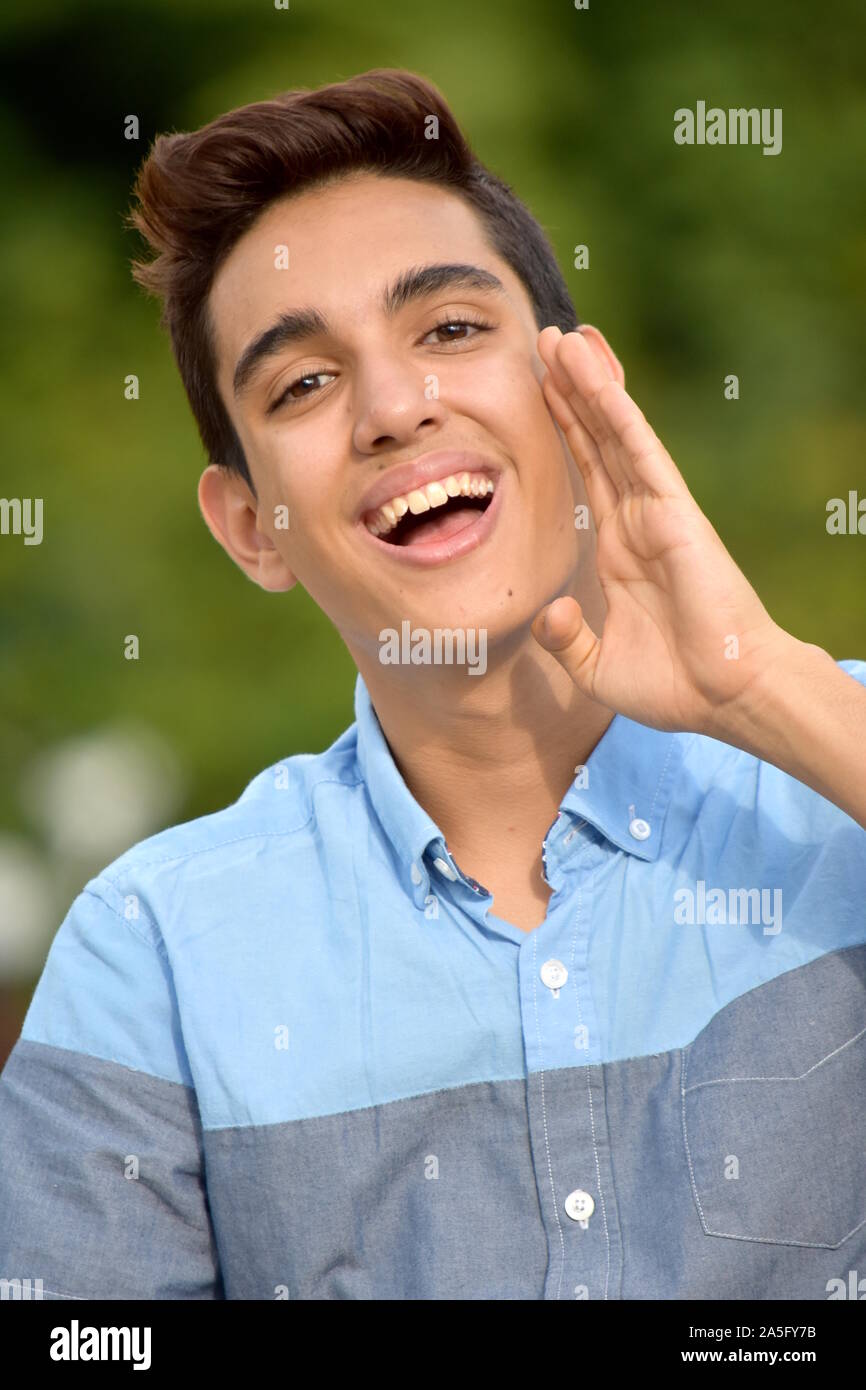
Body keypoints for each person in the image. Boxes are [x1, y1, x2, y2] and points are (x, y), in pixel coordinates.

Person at [1, 68, 864, 1302]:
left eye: (450, 329)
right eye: (302, 383)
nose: (395, 408)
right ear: (250, 527)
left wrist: (761, 687)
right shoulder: (154, 959)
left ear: (582, 389)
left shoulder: (832, 761)